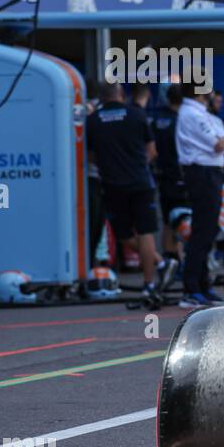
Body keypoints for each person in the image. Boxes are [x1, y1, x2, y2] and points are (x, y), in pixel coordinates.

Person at [86, 82, 163, 299]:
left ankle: (162, 264)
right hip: (140, 183)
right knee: (145, 232)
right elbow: (152, 151)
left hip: (112, 184)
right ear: (121, 94)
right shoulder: (136, 115)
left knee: (123, 235)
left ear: (101, 97)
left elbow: (90, 156)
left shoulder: (93, 120)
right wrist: (136, 166)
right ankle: (150, 282)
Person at [176, 84, 224, 307]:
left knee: (208, 230)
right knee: (202, 230)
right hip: (202, 173)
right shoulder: (191, 113)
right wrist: (223, 141)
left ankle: (202, 285)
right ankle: (191, 289)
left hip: (210, 173)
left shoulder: (203, 114)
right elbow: (220, 143)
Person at [151, 85, 188, 262]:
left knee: (168, 220)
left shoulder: (156, 118)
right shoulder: (183, 119)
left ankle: (170, 260)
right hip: (181, 175)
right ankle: (179, 258)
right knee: (182, 218)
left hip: (163, 175)